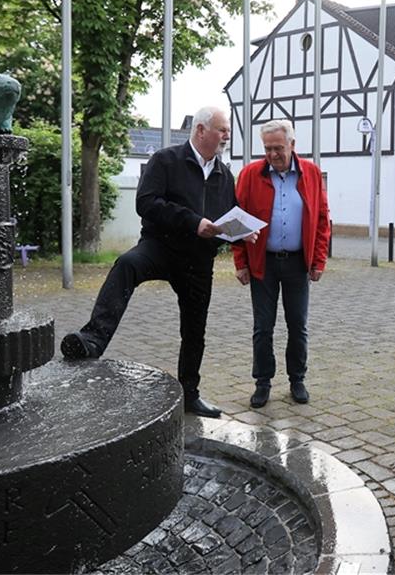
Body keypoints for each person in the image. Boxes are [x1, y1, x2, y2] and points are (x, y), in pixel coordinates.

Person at [60, 106, 256, 419]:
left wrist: (238, 234)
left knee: (195, 329)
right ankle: (91, 340)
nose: (227, 135)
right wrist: (193, 222)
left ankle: (190, 394)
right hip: (159, 247)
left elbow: (222, 220)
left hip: (198, 260)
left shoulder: (224, 175)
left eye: (227, 130)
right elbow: (146, 203)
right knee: (126, 264)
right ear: (201, 130)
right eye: (222, 129)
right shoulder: (165, 160)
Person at [232, 119, 330, 408]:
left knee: (297, 325)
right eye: (267, 149)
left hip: (298, 263)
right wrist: (240, 262)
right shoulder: (250, 174)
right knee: (263, 327)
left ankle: (297, 379)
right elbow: (236, 220)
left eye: (278, 148)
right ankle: (262, 383)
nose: (273, 155)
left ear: (292, 145)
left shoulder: (311, 173)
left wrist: (319, 260)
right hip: (263, 263)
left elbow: (323, 220)